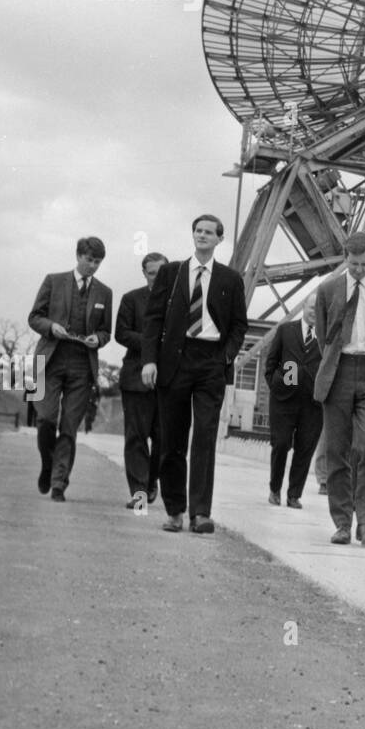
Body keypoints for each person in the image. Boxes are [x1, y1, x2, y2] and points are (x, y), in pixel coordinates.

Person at [142, 214, 248, 535]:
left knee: (204, 438)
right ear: (193, 235)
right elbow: (153, 320)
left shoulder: (230, 279)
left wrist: (225, 356)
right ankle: (175, 511)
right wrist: (150, 360)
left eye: (209, 232)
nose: (202, 236)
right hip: (175, 360)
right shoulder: (172, 273)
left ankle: (201, 513)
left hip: (210, 363)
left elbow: (239, 325)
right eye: (198, 231)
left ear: (219, 239)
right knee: (172, 440)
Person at [312, 234, 365, 545]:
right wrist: (335, 362)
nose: (359, 269)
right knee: (337, 451)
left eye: (364, 264)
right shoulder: (327, 290)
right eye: (353, 264)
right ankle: (342, 523)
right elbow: (323, 335)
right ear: (345, 260)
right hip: (339, 373)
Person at [28, 237, 114, 502]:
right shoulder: (53, 281)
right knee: (45, 419)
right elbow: (34, 317)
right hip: (50, 361)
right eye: (89, 260)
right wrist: (51, 327)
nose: (92, 266)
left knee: (69, 427)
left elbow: (105, 331)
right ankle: (47, 463)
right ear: (78, 256)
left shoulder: (104, 292)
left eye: (97, 262)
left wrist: (97, 339)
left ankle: (58, 484)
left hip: (82, 365)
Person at [114, 252, 167, 507]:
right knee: (136, 437)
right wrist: (151, 344)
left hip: (167, 381)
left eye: (161, 272)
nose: (156, 277)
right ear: (144, 273)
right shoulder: (131, 299)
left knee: (163, 439)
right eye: (151, 272)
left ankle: (151, 479)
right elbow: (121, 333)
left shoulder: (179, 302)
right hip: (136, 378)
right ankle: (139, 493)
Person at [263, 292, 324, 509]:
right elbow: (270, 364)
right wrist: (277, 385)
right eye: (311, 307)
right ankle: (275, 489)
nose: (314, 312)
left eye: (318, 308)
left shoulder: (327, 336)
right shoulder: (285, 330)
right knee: (280, 444)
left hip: (313, 404)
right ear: (304, 308)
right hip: (284, 400)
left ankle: (294, 495)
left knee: (305, 449)